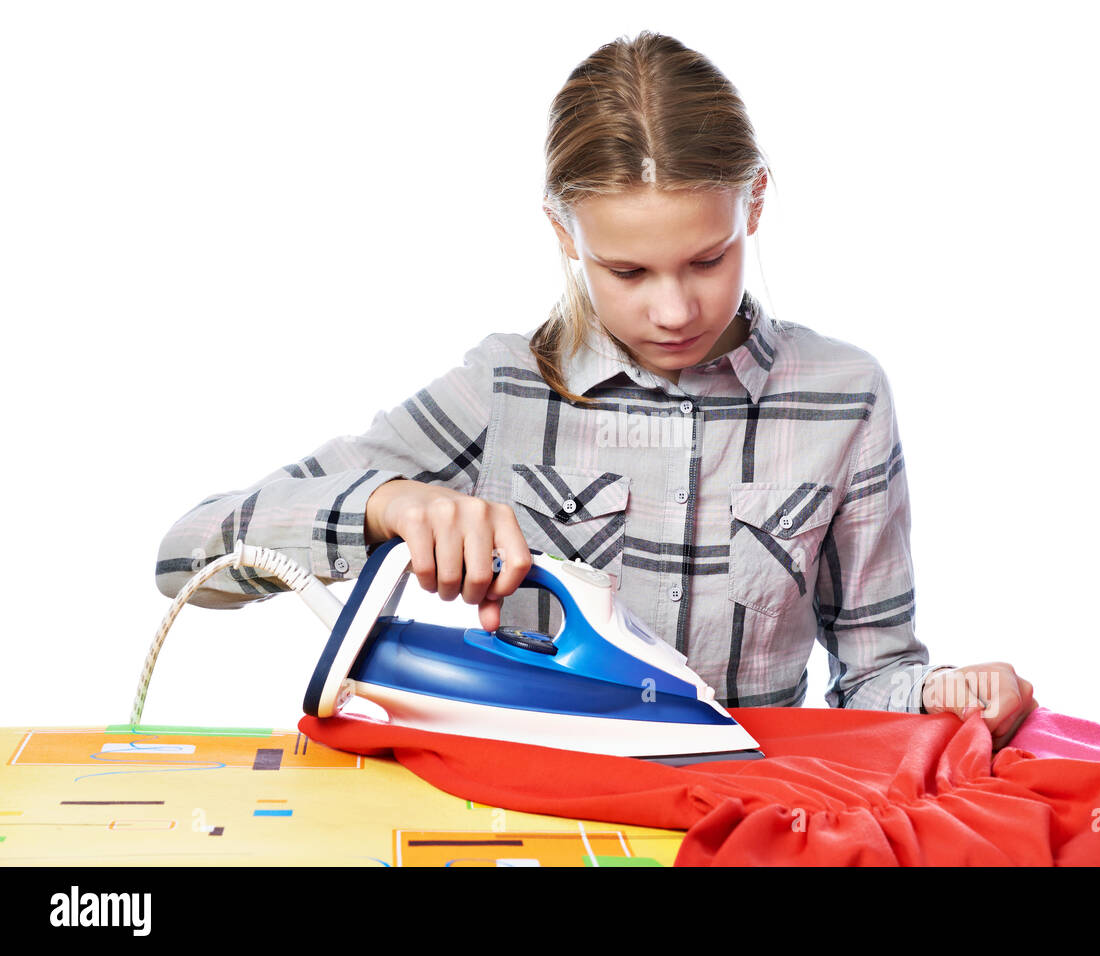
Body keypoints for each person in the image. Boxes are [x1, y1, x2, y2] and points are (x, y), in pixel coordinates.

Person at [155, 31, 1036, 748]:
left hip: (753, 820)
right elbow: (186, 555)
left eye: (708, 258)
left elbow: (872, 681)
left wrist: (948, 695)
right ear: (563, 233)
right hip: (540, 812)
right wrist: (388, 505)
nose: (673, 308)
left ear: (754, 205)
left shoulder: (846, 398)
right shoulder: (505, 388)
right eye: (627, 269)